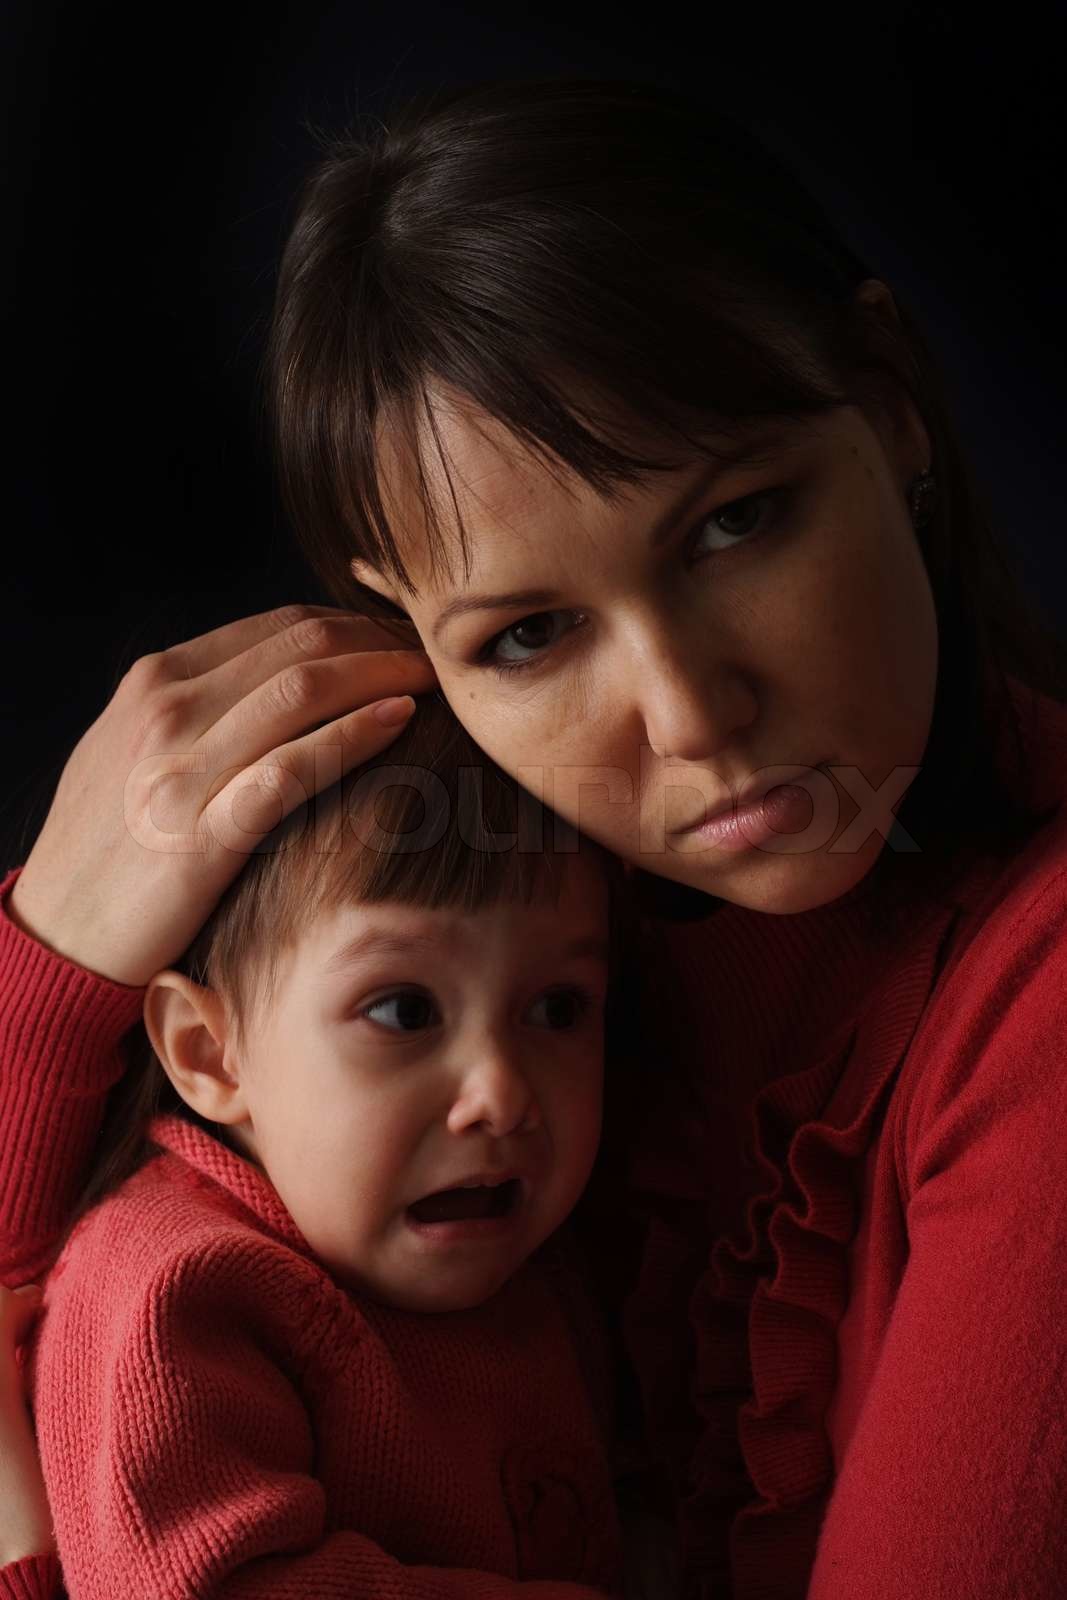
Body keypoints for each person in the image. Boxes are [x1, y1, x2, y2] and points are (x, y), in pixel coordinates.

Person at [3, 72, 1067, 1600]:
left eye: (733, 521)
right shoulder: (464, 936)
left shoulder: (1024, 984)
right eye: (525, 636)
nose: (687, 714)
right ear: (412, 644)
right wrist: (54, 954)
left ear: (889, 402)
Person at [6, 695, 663, 1597]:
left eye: (557, 1009)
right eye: (403, 1012)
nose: (502, 1095)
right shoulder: (173, 1287)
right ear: (210, 1055)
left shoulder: (539, 1262)